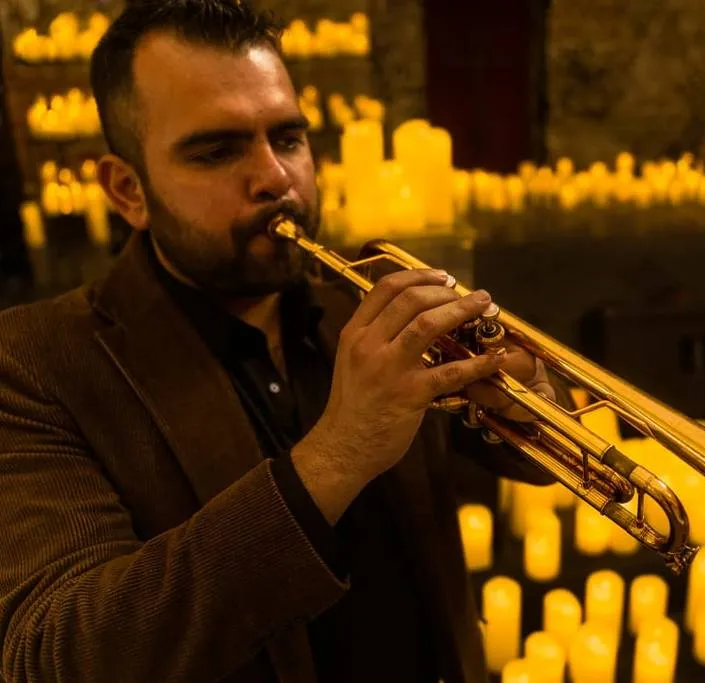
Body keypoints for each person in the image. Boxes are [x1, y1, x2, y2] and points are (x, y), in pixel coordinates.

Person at [0, 1, 567, 681]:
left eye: (289, 138)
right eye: (217, 150)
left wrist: (529, 403)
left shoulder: (356, 305)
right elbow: (60, 653)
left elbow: (533, 463)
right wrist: (335, 456)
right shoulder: (35, 361)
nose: (276, 177)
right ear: (128, 191)